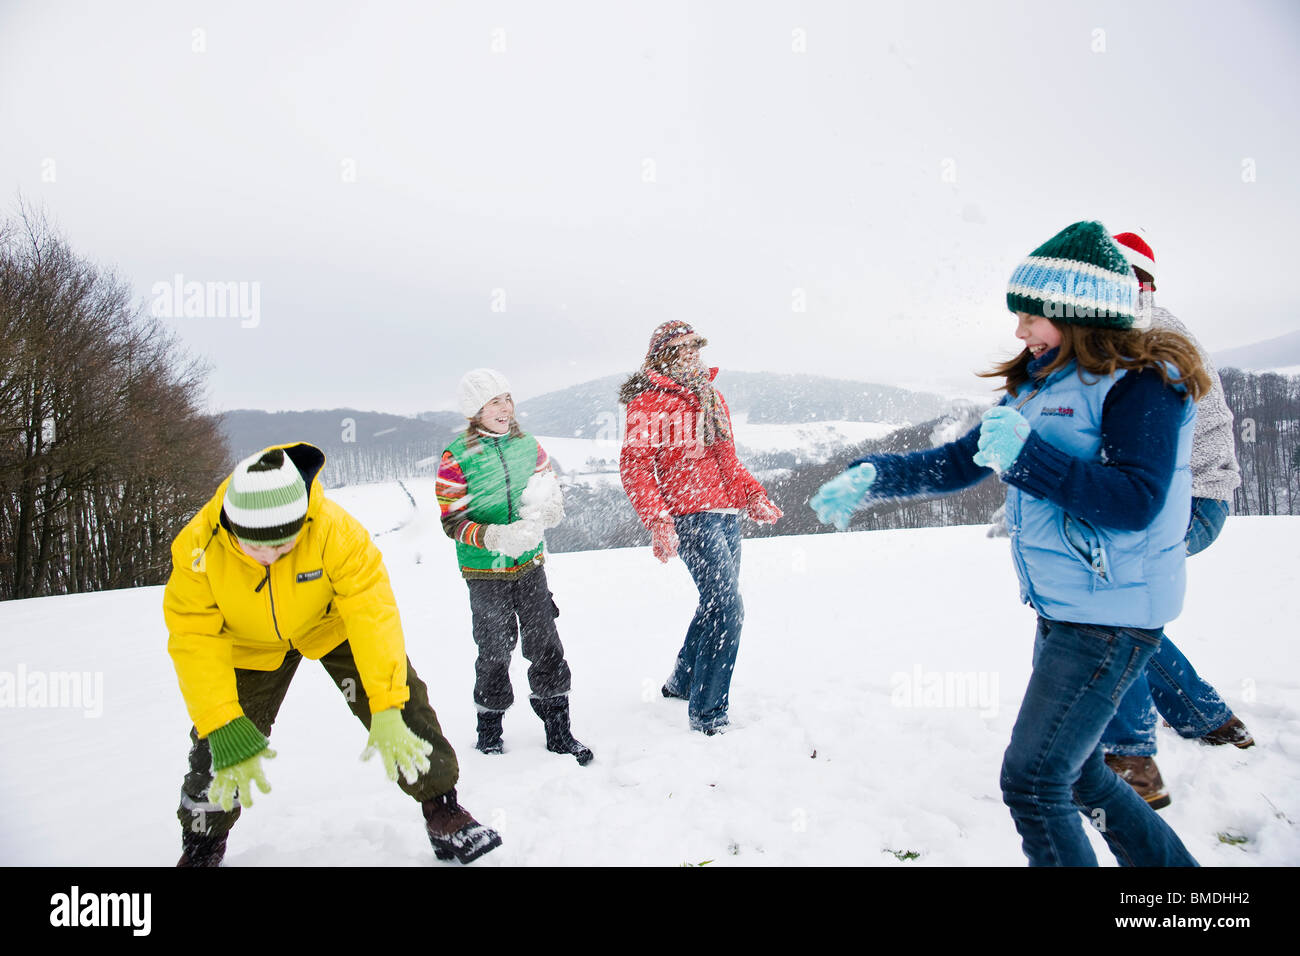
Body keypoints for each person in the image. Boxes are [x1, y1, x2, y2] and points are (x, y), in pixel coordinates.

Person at [811, 221, 1204, 866]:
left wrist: (1029, 460)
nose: (1019, 332)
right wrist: (876, 475)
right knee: (1076, 773)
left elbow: (1134, 503)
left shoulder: (1142, 385)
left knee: (1034, 779)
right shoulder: (1041, 380)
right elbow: (965, 462)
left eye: (1031, 318)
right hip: (1068, 608)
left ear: (1078, 315)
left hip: (1111, 617)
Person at [165, 442, 501, 866]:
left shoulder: (335, 532)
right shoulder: (199, 546)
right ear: (233, 525)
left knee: (405, 705)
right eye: (254, 548)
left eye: (281, 546)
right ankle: (201, 843)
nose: (268, 557)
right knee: (217, 744)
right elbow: (194, 636)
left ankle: (443, 810)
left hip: (329, 625)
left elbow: (372, 616)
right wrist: (220, 719)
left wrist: (385, 704)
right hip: (246, 644)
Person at [1096, 231, 1254, 809]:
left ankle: (1129, 759)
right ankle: (1208, 719)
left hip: (1189, 504)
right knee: (1118, 600)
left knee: (1110, 601)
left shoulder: (1145, 335)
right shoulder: (1137, 327)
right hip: (1189, 501)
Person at [618, 321, 783, 734]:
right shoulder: (648, 402)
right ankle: (709, 713)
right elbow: (636, 467)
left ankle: (681, 680)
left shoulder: (711, 395)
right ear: (663, 354)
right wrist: (658, 520)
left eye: (695, 345)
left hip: (726, 516)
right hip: (691, 517)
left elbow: (727, 460)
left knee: (715, 604)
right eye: (682, 347)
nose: (692, 352)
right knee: (729, 608)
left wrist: (752, 496)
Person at [437, 369, 592, 765]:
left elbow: (547, 487)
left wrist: (551, 505)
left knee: (545, 645)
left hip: (530, 564)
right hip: (485, 572)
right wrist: (492, 537)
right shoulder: (457, 457)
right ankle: (489, 732)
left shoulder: (528, 446)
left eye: (507, 398)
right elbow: (452, 521)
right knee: (493, 649)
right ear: (475, 411)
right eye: (493, 401)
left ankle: (558, 730)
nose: (504, 407)